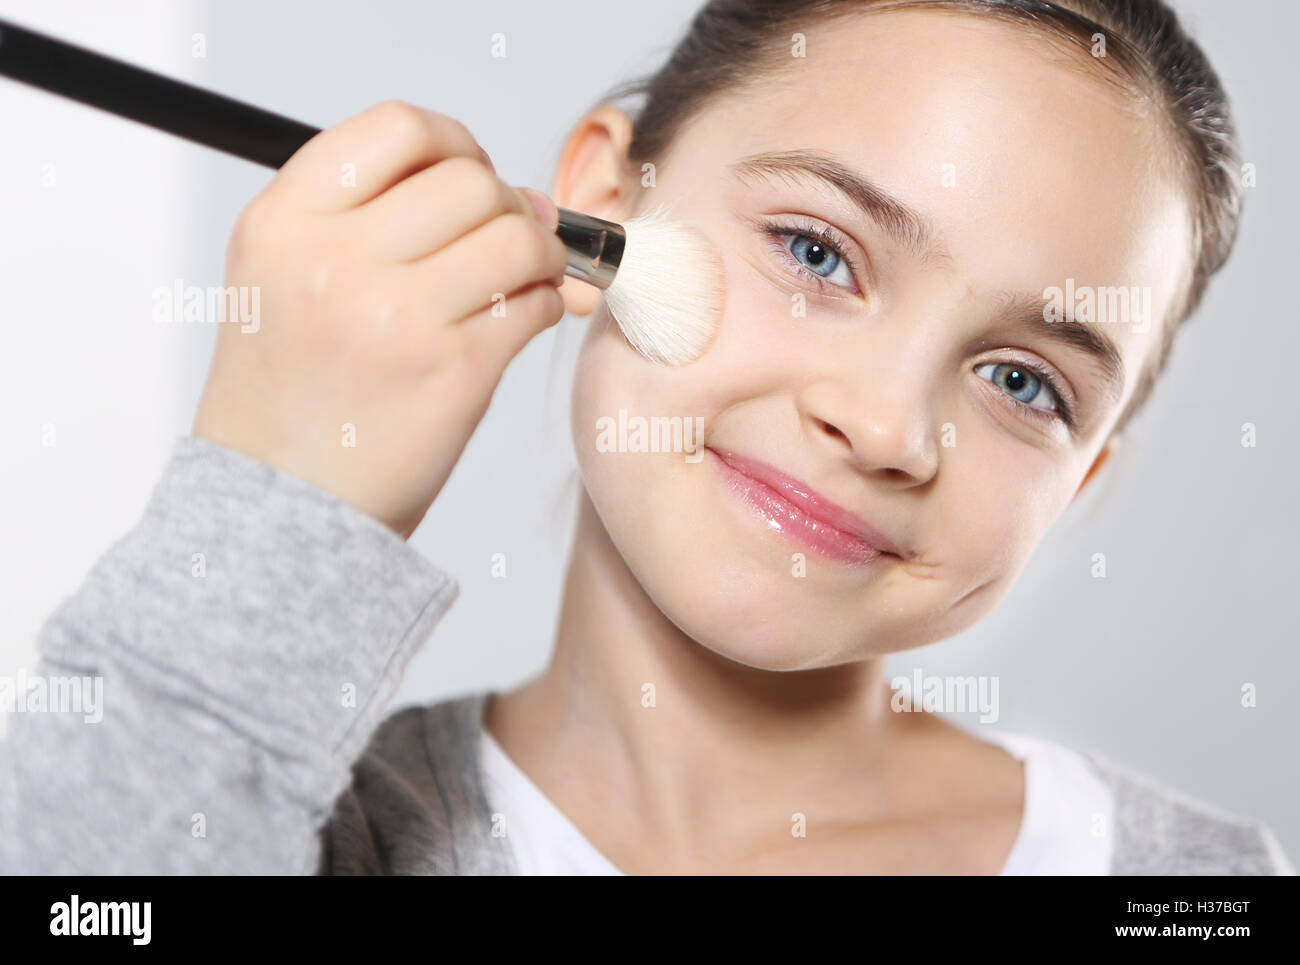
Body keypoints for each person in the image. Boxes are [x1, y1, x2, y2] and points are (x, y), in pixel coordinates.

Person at [1, 0, 1292, 874]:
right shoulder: (270, 820)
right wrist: (278, 504)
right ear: (602, 206)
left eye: (1025, 382)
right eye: (814, 251)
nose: (889, 423)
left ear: (1079, 485)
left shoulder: (1198, 882)